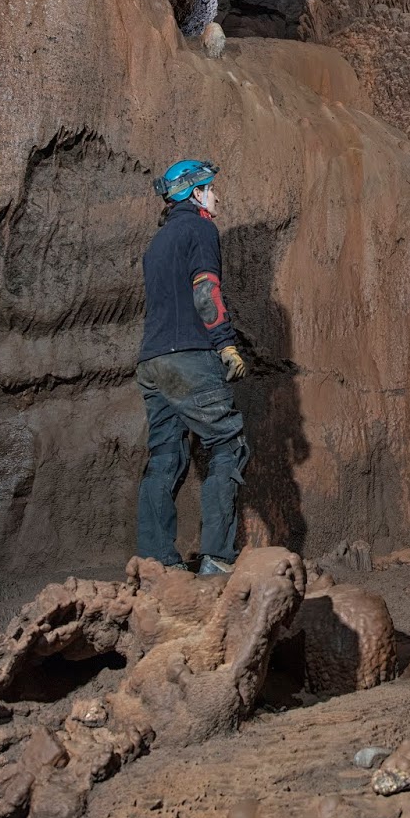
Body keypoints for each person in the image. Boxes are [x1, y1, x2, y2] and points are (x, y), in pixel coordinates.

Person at [136, 158, 249, 575]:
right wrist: (226, 344)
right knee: (228, 444)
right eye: (212, 188)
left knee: (165, 456)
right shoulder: (200, 228)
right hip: (188, 357)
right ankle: (217, 558)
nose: (217, 195)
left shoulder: (158, 241)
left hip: (151, 361)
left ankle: (156, 563)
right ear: (196, 193)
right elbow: (206, 291)